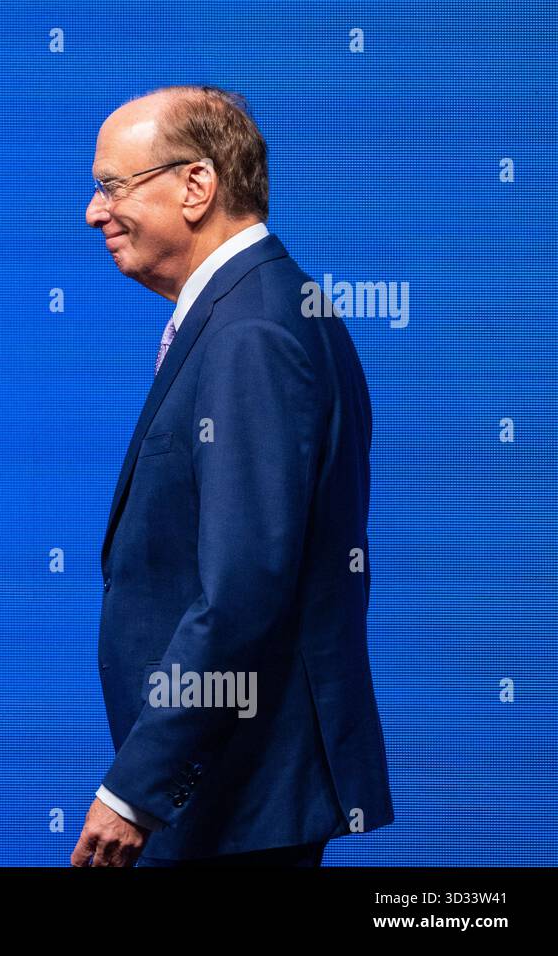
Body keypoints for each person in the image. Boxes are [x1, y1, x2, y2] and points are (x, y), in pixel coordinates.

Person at [71, 85, 394, 867]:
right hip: (229, 790)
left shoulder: (252, 331)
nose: (92, 211)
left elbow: (245, 586)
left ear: (196, 186)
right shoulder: (261, 308)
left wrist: (135, 788)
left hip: (237, 798)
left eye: (113, 185)